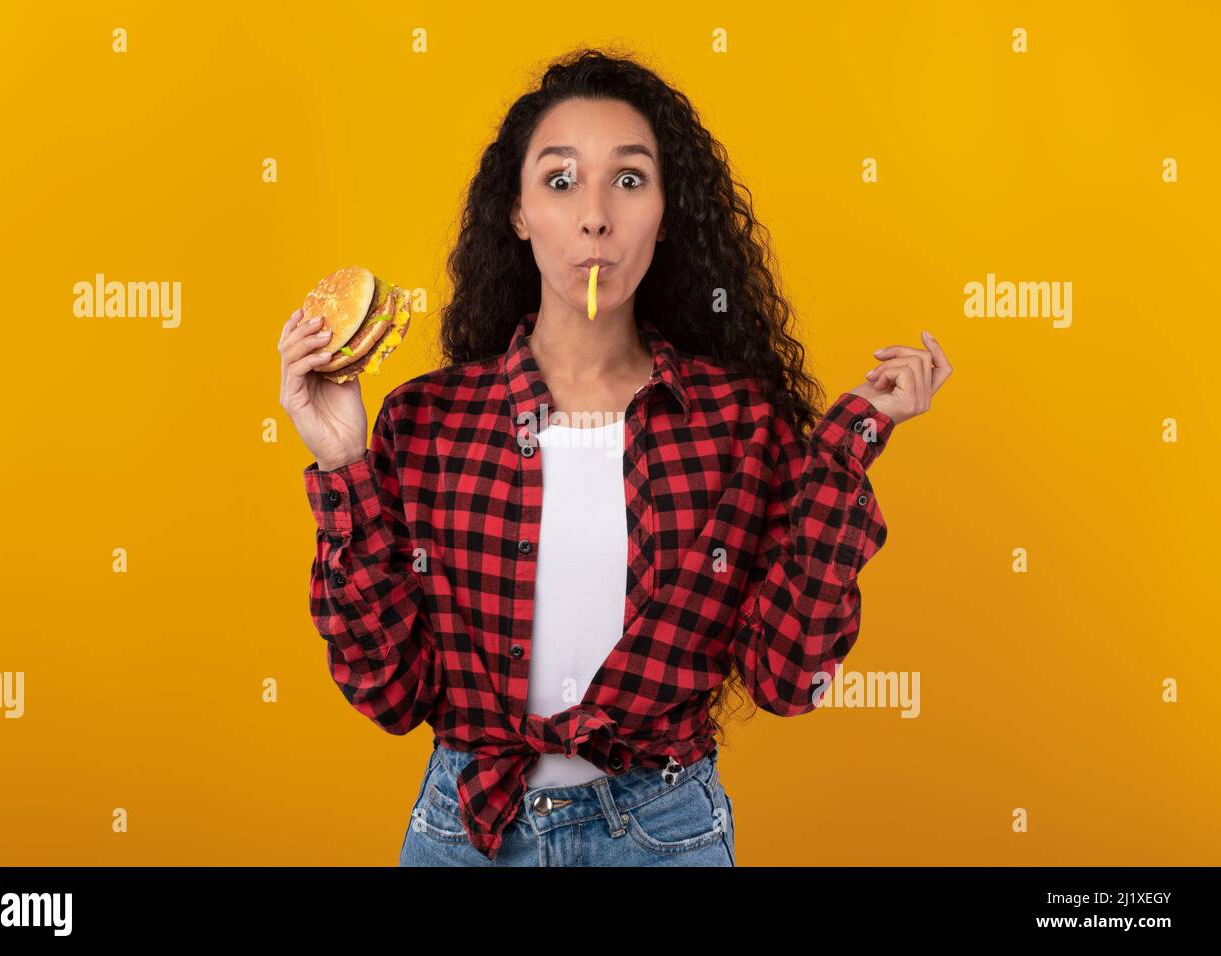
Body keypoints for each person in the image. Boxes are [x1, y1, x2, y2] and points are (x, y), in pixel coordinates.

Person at [277, 48, 951, 867]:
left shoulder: (739, 425)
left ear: (667, 213)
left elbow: (784, 678)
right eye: (561, 182)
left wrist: (850, 444)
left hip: (663, 834)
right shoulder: (426, 422)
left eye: (629, 180)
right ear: (518, 213)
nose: (595, 216)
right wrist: (345, 462)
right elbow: (389, 691)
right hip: (468, 832)